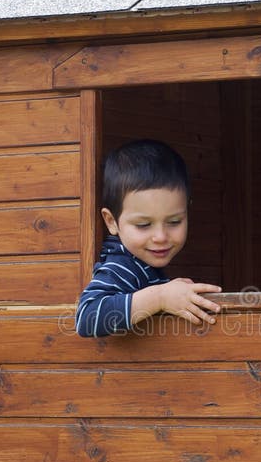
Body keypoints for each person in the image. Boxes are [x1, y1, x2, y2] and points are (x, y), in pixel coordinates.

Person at [75, 140, 221, 337]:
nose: (161, 237)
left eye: (174, 221)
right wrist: (160, 298)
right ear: (111, 221)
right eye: (143, 225)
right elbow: (86, 317)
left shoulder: (142, 264)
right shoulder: (122, 266)